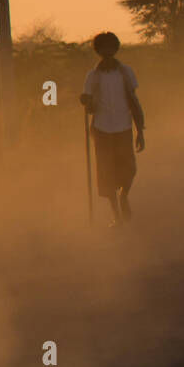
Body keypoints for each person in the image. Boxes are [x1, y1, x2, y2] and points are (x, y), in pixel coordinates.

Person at [79, 31, 145, 226]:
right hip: (102, 128)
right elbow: (90, 107)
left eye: (110, 48)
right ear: (98, 51)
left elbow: (134, 102)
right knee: (106, 172)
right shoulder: (92, 76)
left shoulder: (126, 72)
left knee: (129, 169)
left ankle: (124, 196)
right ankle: (116, 213)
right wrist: (85, 101)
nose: (107, 52)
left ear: (116, 49)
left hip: (123, 126)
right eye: (103, 48)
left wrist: (140, 130)